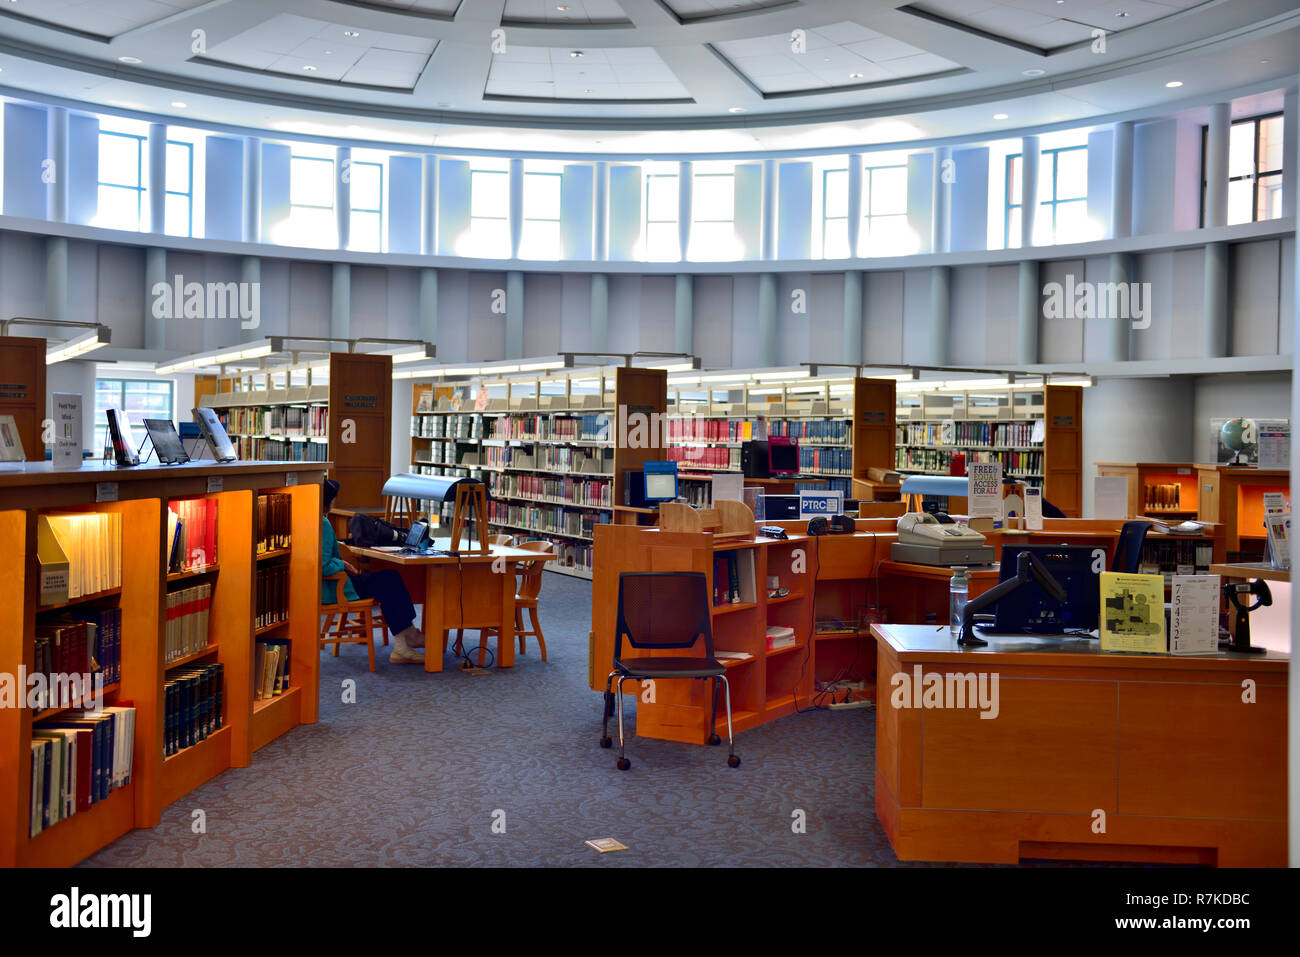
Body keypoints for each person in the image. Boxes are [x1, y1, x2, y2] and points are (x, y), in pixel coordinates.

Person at [321, 479, 426, 664]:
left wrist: (341, 562)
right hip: (333, 586)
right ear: (328, 503)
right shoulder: (323, 524)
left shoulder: (311, 521)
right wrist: (343, 565)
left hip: (330, 583)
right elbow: (322, 565)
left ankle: (407, 635)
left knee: (387, 580)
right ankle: (405, 639)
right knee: (389, 580)